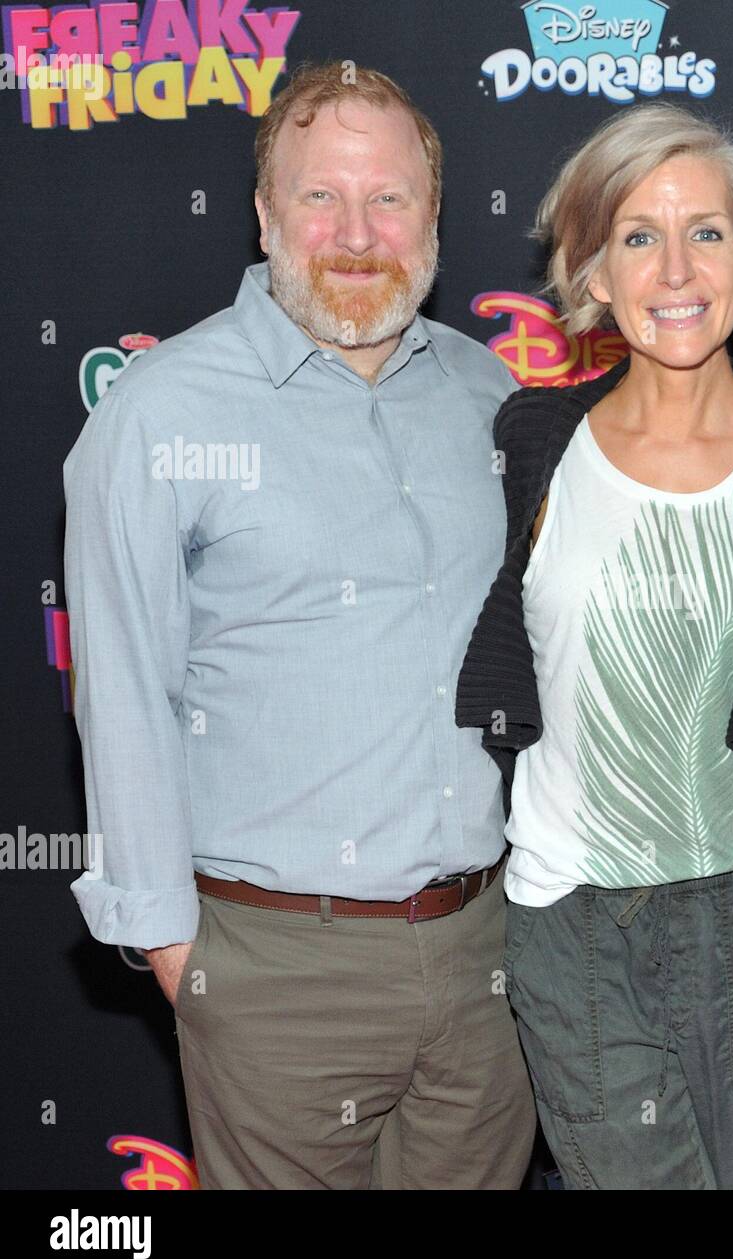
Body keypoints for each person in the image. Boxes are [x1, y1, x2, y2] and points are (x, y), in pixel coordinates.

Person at [61, 61, 538, 1189]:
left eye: (389, 198)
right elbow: (119, 694)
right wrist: (180, 955)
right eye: (320, 196)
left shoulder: (491, 396)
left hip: (489, 957)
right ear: (266, 214)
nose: (356, 232)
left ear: (433, 214)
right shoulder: (160, 414)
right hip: (271, 963)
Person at [455, 103, 733, 1189]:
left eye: (707, 232)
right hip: (576, 924)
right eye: (637, 234)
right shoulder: (528, 443)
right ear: (591, 271)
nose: (674, 267)